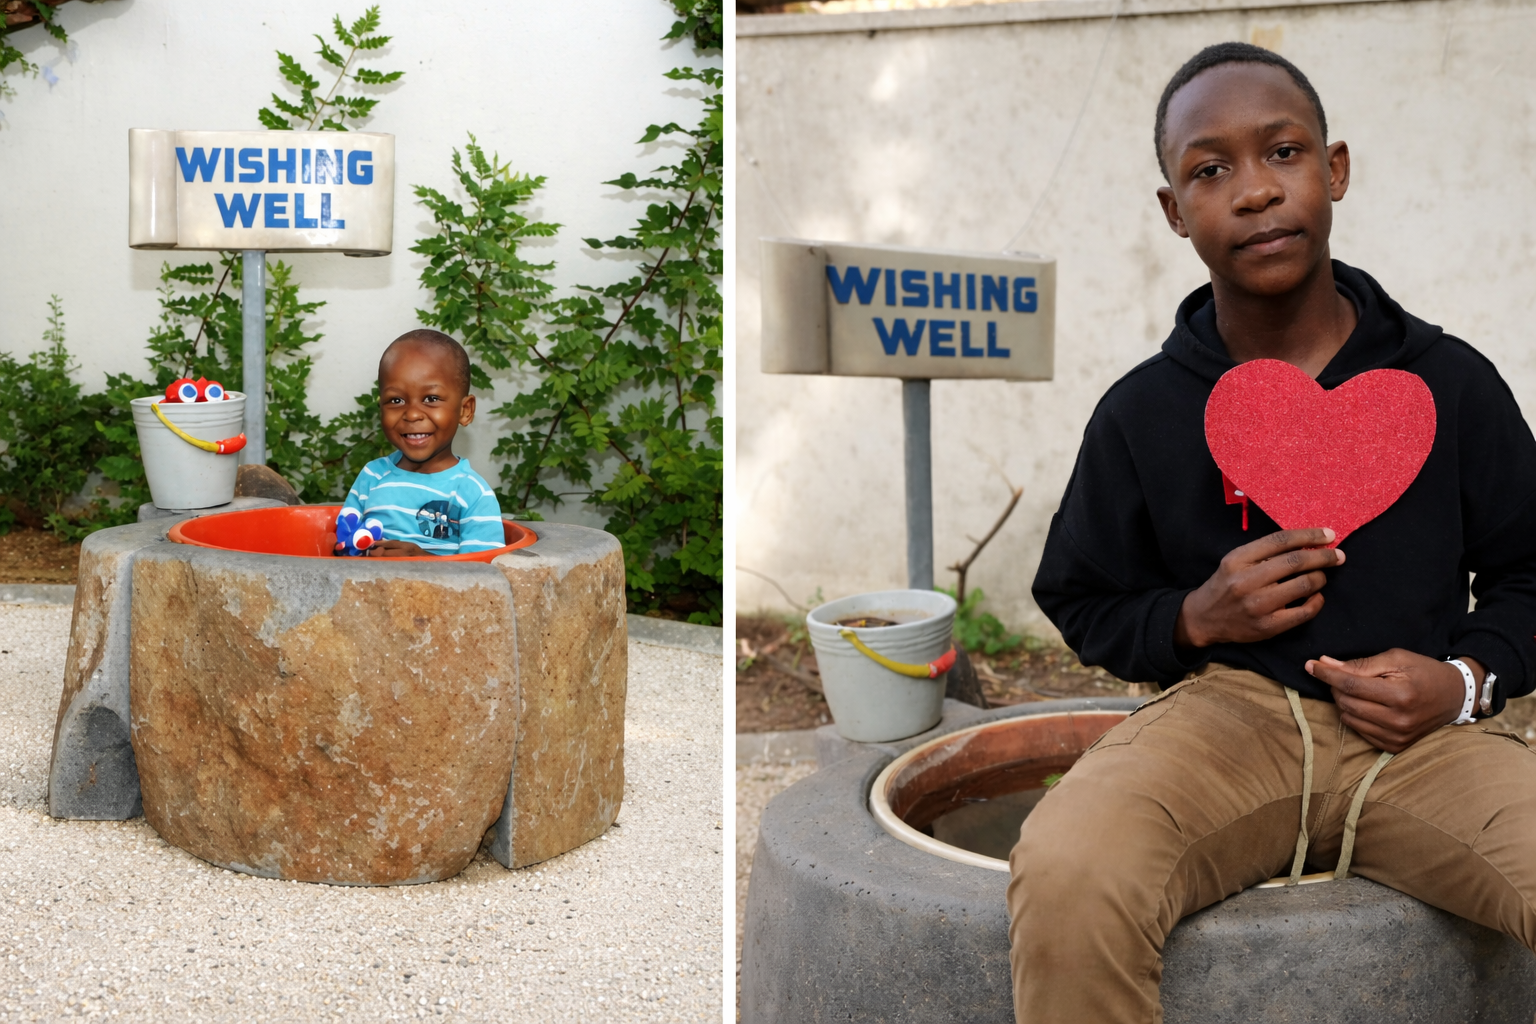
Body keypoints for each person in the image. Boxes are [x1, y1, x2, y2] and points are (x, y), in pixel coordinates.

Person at [1007, 42, 1536, 1022]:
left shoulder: (1451, 383)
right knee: (1072, 868)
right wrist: (1194, 617)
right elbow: (1080, 596)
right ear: (1174, 211)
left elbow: (1529, 578)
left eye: (1282, 153)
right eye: (1211, 169)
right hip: (1228, 725)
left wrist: (1463, 682)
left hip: (1428, 737)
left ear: (1334, 170)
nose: (1254, 191)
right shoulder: (1142, 413)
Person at [340, 328, 506, 557]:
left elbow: (483, 578)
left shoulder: (473, 495)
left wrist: (420, 561)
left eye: (431, 399)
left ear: (464, 410)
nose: (412, 414)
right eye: (396, 400)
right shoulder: (372, 477)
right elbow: (344, 543)